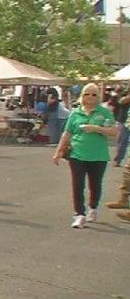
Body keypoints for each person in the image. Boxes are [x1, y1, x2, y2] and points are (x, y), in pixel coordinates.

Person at [53, 83, 119, 229]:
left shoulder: (104, 112)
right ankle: (79, 214)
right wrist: (58, 151)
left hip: (98, 155)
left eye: (94, 94)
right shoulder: (75, 113)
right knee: (78, 184)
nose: (90, 97)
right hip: (77, 153)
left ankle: (93, 208)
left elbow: (114, 131)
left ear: (99, 96)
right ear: (82, 95)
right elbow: (67, 133)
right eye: (87, 94)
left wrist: (96, 128)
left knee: (95, 184)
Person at [111, 86, 130, 165]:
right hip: (124, 121)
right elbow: (121, 101)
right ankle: (118, 160)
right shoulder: (123, 93)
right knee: (122, 141)